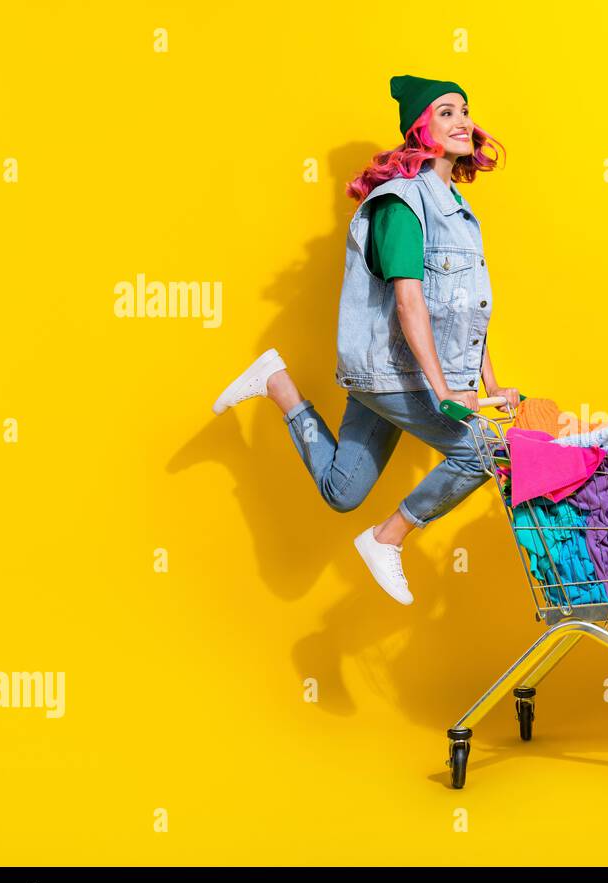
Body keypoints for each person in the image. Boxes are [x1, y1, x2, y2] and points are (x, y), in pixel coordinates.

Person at [211, 74, 519, 604]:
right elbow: (410, 303)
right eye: (446, 112)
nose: (463, 120)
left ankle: (277, 383)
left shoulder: (463, 215)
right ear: (420, 129)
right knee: (485, 453)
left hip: (402, 372)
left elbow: (466, 312)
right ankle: (387, 538)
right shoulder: (401, 204)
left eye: (465, 110)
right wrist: (445, 392)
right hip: (390, 370)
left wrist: (494, 383)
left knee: (343, 491)